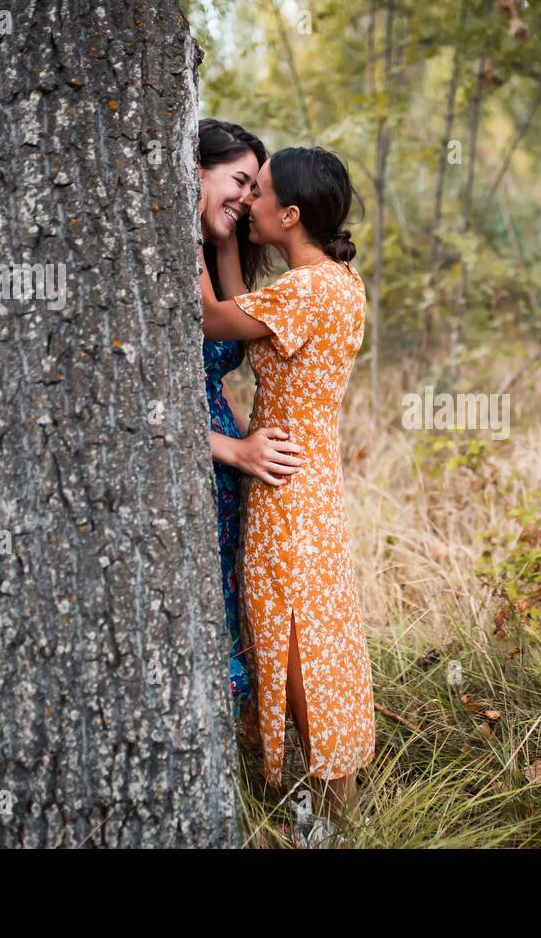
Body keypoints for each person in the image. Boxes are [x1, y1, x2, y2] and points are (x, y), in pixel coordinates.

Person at [201, 146, 375, 822]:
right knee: (310, 630)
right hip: (308, 476)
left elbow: (214, 317)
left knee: (297, 634)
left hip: (288, 486)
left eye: (261, 192)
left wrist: (186, 225)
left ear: (291, 213)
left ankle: (336, 812)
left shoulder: (306, 290)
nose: (249, 201)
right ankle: (333, 804)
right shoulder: (334, 281)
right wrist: (222, 244)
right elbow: (239, 302)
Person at [195, 119, 306, 721]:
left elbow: (210, 376)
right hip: (197, 459)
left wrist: (243, 440)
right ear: (194, 173)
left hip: (228, 463)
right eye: (239, 180)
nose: (246, 199)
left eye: (254, 189)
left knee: (234, 608)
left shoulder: (211, 260)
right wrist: (232, 449)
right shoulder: (164, 261)